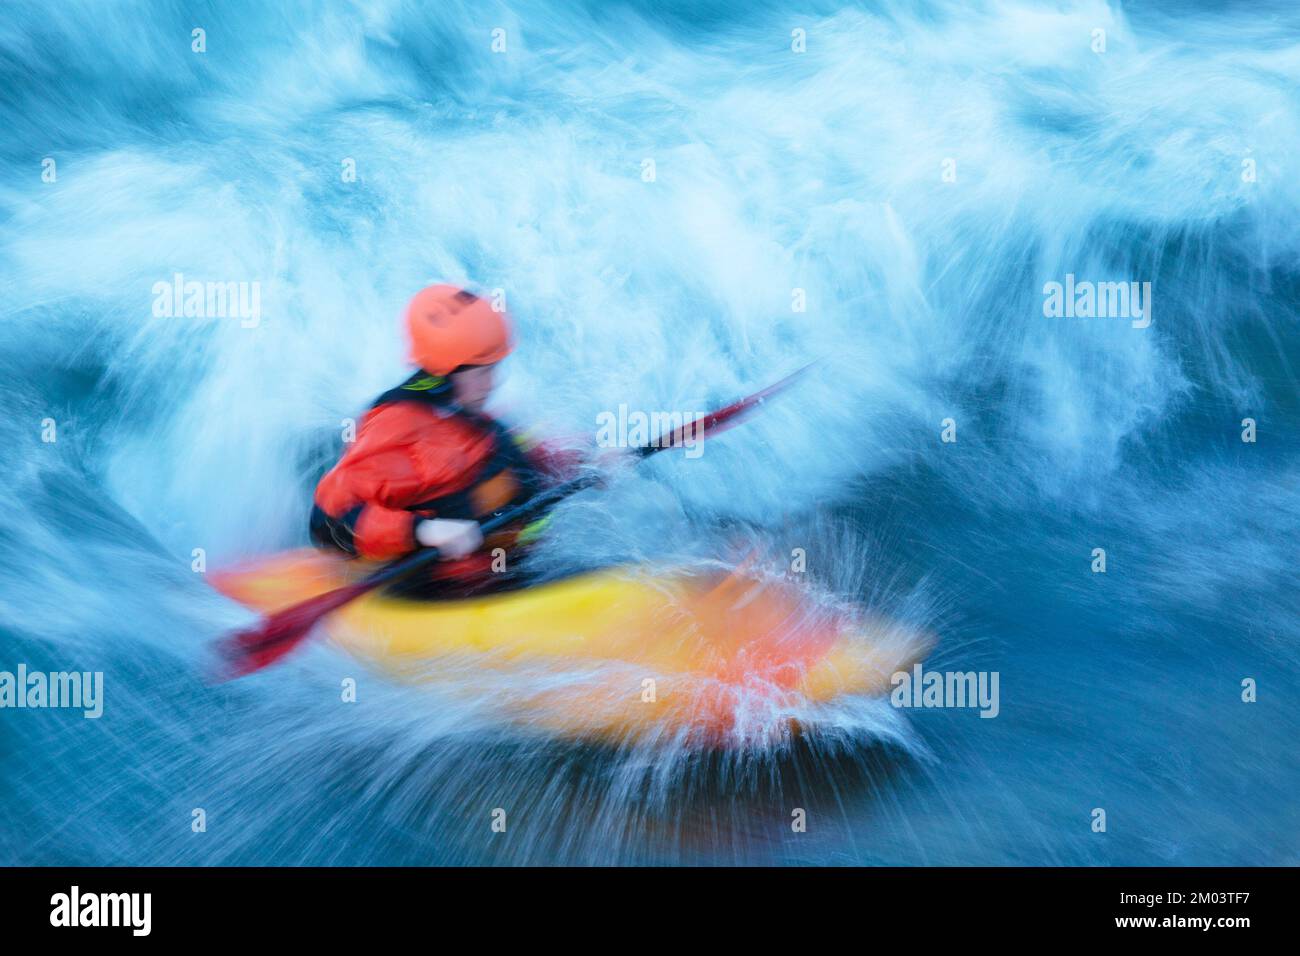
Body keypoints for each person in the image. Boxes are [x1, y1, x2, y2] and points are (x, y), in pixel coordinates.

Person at [309, 284, 575, 595]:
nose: (493, 383)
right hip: (440, 588)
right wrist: (424, 531)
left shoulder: (465, 411)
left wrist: (590, 458)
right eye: (482, 373)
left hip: (509, 566)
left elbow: (523, 459)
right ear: (446, 374)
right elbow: (328, 520)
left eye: (494, 369)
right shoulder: (399, 429)